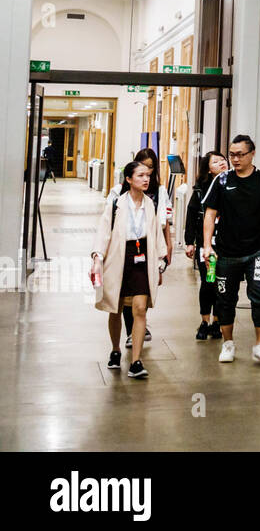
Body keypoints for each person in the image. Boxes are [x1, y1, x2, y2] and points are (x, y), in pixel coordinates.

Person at [200, 135, 260, 365]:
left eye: (240, 154)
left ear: (252, 154)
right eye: (232, 154)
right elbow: (210, 214)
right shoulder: (221, 181)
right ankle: (228, 343)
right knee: (225, 300)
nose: (235, 159)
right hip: (226, 252)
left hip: (258, 250)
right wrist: (207, 245)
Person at [91, 160, 173, 379]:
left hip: (142, 259)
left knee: (139, 308)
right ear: (128, 179)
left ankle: (136, 361)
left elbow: (156, 235)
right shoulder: (116, 203)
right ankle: (116, 350)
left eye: (147, 175)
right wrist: (97, 258)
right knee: (115, 308)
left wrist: (160, 264)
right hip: (119, 258)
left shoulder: (151, 204)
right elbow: (103, 232)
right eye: (140, 175)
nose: (146, 179)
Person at [121, 148, 170, 347]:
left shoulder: (160, 191)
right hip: (127, 248)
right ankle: (132, 329)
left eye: (150, 168)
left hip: (151, 246)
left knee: (145, 289)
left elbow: (166, 221)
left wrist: (167, 246)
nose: (147, 173)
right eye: (142, 168)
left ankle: (140, 322)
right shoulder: (122, 192)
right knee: (126, 294)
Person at [184, 150, 228, 340]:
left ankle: (217, 322)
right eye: (216, 162)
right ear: (208, 169)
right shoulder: (201, 189)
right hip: (207, 246)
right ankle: (204, 321)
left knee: (222, 284)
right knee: (209, 282)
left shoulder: (232, 185)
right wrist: (189, 242)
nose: (222, 163)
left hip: (227, 245)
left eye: (222, 160)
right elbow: (192, 214)